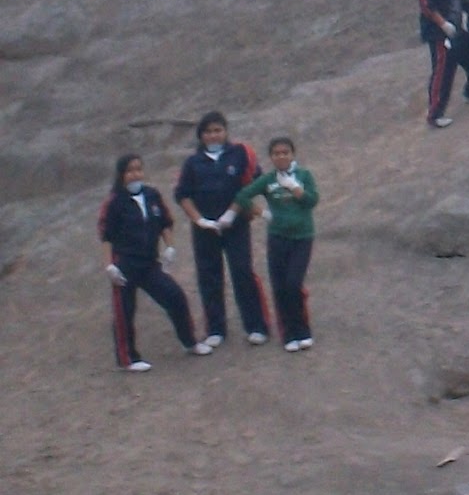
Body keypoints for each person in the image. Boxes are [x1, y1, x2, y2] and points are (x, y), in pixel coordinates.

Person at [99, 153, 212, 371]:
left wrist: (169, 247)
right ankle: (127, 358)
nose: (135, 175)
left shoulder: (152, 195)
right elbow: (106, 236)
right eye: (130, 170)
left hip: (149, 262)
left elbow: (164, 223)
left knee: (175, 296)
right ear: (122, 174)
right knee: (124, 311)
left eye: (138, 169)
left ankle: (190, 341)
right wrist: (109, 266)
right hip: (124, 264)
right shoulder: (114, 202)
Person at [173, 111, 272, 347]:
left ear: (226, 131)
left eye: (218, 130)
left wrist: (236, 212)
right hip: (205, 230)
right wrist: (199, 220)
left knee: (243, 272)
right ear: (201, 135)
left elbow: (253, 183)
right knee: (209, 277)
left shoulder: (239, 154)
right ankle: (215, 328)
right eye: (208, 131)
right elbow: (183, 195)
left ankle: (256, 325)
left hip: (236, 225)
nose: (213, 135)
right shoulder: (193, 163)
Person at [218, 136, 318, 352]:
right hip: (277, 238)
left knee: (293, 283)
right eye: (276, 153)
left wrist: (296, 189)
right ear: (271, 157)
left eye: (285, 152)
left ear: (292, 154)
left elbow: (313, 201)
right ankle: (288, 334)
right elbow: (243, 195)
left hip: (302, 237)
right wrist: (262, 213)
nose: (281, 156)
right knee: (280, 286)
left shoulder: (304, 175)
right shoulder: (269, 179)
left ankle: (303, 329)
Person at [419, 0, 467, 128]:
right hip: (439, 35)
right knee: (441, 71)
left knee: (451, 68)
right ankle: (434, 114)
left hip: (454, 31)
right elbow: (427, 6)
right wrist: (443, 24)